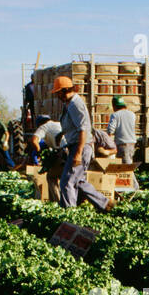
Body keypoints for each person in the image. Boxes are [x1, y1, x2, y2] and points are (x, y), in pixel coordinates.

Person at [53, 75, 110, 211]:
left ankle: (70, 215)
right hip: (78, 145)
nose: (57, 96)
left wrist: (78, 153)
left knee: (67, 182)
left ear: (64, 90)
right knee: (79, 181)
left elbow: (84, 129)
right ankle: (105, 204)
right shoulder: (69, 104)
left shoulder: (75, 104)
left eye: (58, 93)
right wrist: (61, 134)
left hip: (81, 147)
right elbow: (73, 125)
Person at [107, 96, 137, 167]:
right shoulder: (132, 114)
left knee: (126, 168)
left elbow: (110, 130)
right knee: (127, 163)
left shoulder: (115, 115)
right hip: (132, 143)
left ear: (114, 106)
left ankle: (133, 178)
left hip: (122, 144)